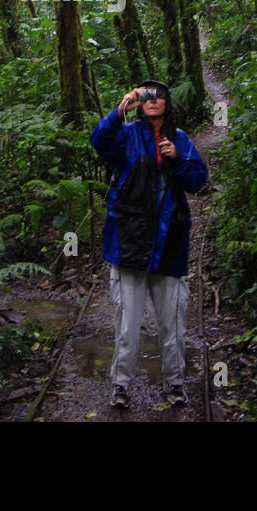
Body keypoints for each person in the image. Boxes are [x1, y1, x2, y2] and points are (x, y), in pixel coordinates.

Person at [90, 79, 208, 410]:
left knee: (173, 323)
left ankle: (175, 384)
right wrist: (120, 109)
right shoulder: (125, 135)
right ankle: (121, 385)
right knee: (127, 323)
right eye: (146, 96)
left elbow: (198, 181)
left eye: (159, 96)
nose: (153, 101)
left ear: (167, 103)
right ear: (140, 103)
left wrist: (177, 160)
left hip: (169, 245)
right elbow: (99, 141)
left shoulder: (180, 139)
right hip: (129, 243)